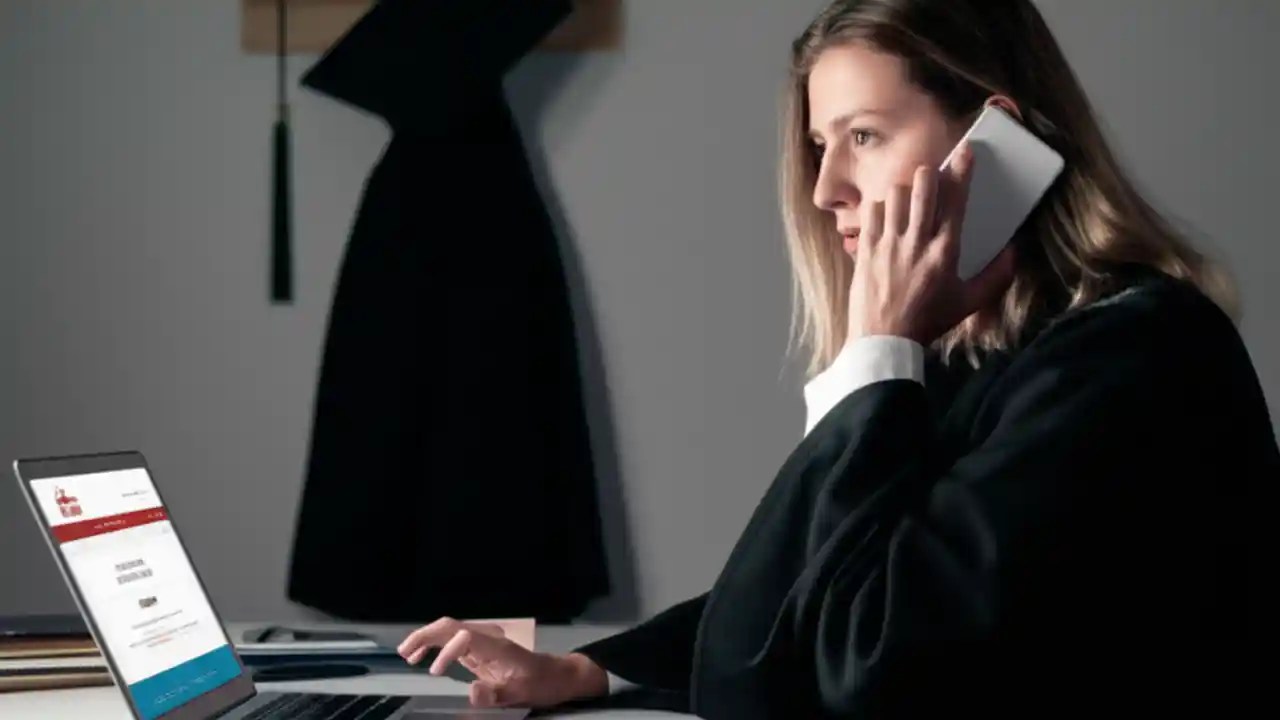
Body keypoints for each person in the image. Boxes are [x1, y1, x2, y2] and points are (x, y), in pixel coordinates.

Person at [395, 0, 1279, 716]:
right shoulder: (978, 358)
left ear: (992, 147)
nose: (825, 191)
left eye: (863, 136)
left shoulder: (1132, 357)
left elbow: (863, 671)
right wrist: (588, 671)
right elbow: (799, 605)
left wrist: (875, 360)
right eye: (821, 146)